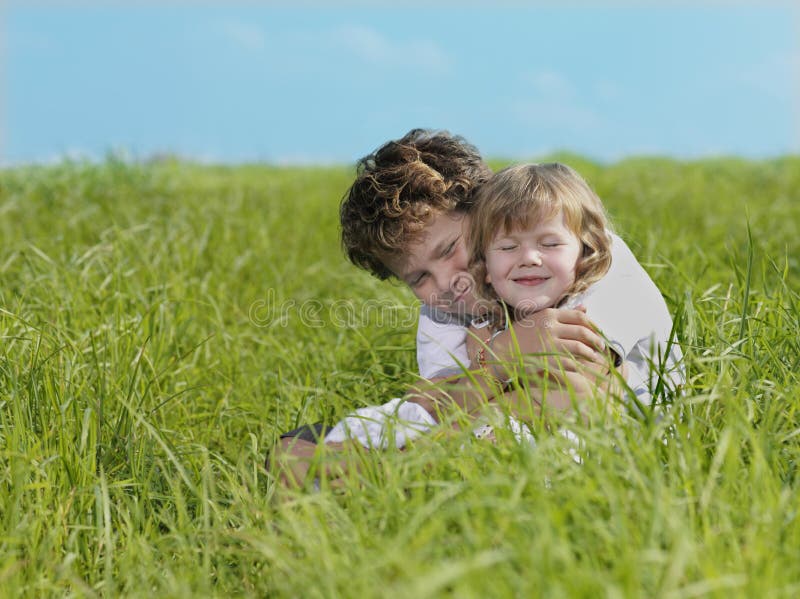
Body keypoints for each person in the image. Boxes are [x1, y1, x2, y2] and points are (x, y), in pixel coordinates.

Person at [268, 130, 667, 486]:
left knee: (474, 443)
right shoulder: (442, 313)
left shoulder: (582, 255)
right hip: (492, 440)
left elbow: (587, 393)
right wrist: (502, 358)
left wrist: (477, 391)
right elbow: (433, 405)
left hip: (613, 440)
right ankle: (362, 470)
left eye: (449, 249)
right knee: (295, 443)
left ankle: (370, 471)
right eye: (419, 278)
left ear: (487, 212)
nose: (446, 283)